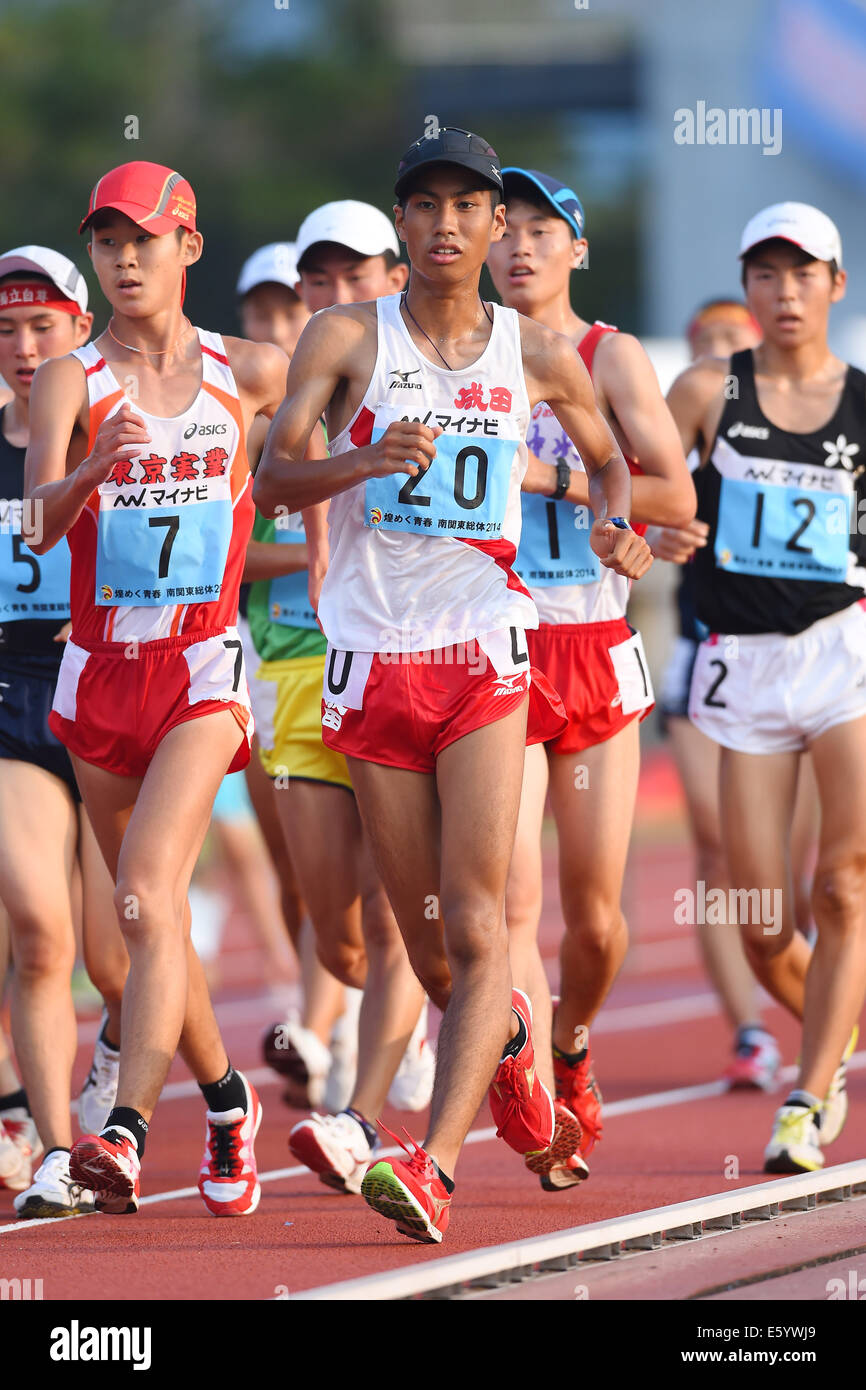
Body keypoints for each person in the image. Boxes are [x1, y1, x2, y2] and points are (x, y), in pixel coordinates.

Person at [254, 127, 652, 1242]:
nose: (443, 223)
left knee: (480, 924)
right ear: (404, 224)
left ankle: (427, 1163)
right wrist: (359, 461)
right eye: (422, 204)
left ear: (489, 224)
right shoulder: (344, 335)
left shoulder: (532, 351)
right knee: (424, 947)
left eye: (464, 205)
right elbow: (272, 478)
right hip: (370, 661)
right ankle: (515, 1053)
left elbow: (607, 454)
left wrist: (611, 522)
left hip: (485, 650)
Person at [23, 161, 290, 1215]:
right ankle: (227, 1097)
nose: (125, 258)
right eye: (107, 242)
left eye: (144, 238)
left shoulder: (254, 369)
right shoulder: (68, 379)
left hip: (201, 665)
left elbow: (343, 426)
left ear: (189, 245)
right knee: (137, 940)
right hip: (97, 672)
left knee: (144, 891)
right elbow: (33, 522)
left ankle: (126, 1132)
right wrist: (93, 469)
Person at [486, 169, 694, 1189]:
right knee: (512, 899)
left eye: (541, 230)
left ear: (575, 249)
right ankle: (530, 1106)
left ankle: (567, 1042)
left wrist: (566, 485)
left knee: (597, 919)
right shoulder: (462, 355)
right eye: (503, 229)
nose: (518, 247)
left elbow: (671, 488)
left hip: (593, 645)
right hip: (498, 647)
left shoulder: (605, 356)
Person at [667, 202, 865, 1172]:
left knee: (843, 882)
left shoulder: (862, 406)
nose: (783, 292)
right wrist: (648, 528)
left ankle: (806, 1090)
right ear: (747, 286)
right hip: (740, 662)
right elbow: (638, 488)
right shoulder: (706, 388)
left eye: (802, 273)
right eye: (765, 273)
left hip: (842, 651)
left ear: (834, 284)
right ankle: (834, 1035)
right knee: (758, 926)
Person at [249, 205, 435, 1195]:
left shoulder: (430, 382)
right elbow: (258, 511)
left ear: (391, 276)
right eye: (314, 281)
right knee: (336, 927)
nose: (332, 296)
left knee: (395, 903)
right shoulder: (271, 401)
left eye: (350, 276)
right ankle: (389, 1016)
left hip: (394, 660)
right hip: (289, 660)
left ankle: (365, 1096)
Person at [654, 298, 818, 1091]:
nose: (718, 354)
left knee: (801, 862)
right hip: (708, 655)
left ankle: (822, 996)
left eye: (732, 340)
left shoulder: (808, 434)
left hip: (815, 662)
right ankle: (750, 1028)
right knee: (719, 851)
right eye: (704, 343)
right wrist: (656, 530)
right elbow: (642, 497)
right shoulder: (687, 428)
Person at [0, 245, 126, 1217]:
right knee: (40, 935)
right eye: (5, 329)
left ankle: (176, 1092)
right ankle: (53, 1147)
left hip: (113, 685)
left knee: (114, 954)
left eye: (42, 325)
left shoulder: (133, 429)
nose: (23, 345)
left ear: (80, 331)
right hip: (10, 693)